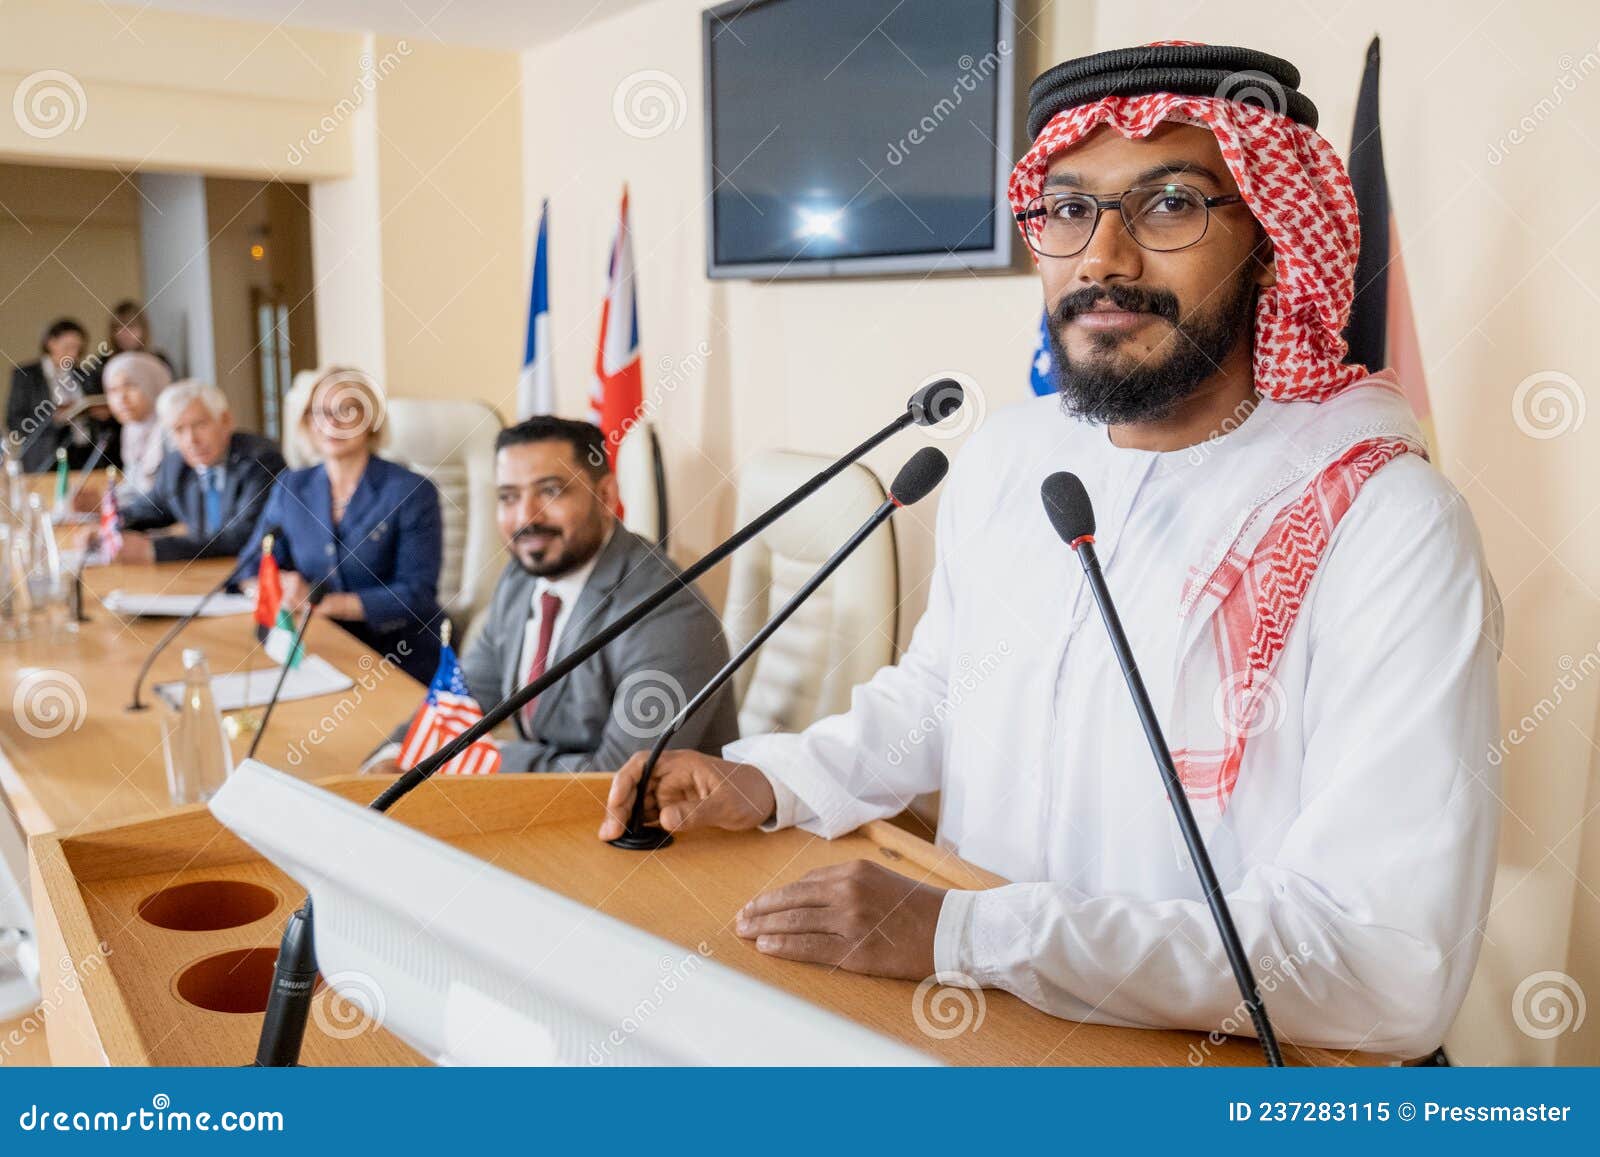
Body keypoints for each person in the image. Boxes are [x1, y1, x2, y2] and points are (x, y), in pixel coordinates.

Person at [598, 42, 1503, 1059]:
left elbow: (1381, 963)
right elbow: (943, 691)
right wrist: (770, 781)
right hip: (964, 1027)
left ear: (1268, 239)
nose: (1103, 257)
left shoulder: (1382, 520)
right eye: (1069, 210)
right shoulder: (1013, 454)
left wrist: (960, 931)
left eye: (1169, 205)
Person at [368, 417, 737, 773]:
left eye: (551, 491)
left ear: (606, 495)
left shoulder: (668, 613)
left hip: (654, 830)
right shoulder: (523, 575)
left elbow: (617, 778)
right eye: (509, 497)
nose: (526, 517)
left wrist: (483, 760)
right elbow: (466, 694)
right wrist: (398, 753)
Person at [237, 367, 442, 683]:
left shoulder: (411, 491)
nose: (331, 422)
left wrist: (327, 605)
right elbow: (250, 567)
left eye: (347, 410)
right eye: (320, 412)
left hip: (396, 653)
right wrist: (278, 585)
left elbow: (416, 594)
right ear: (307, 422)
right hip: (315, 645)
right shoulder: (292, 486)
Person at [107, 379, 284, 564]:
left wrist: (155, 550)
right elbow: (150, 509)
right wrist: (111, 525)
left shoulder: (262, 461)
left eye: (200, 425)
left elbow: (241, 537)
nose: (191, 440)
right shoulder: (176, 465)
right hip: (203, 574)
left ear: (226, 420)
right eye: (179, 430)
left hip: (251, 573)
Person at [5, 318, 116, 472]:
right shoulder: (26, 375)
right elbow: (15, 423)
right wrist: (54, 417)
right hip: (46, 458)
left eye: (78, 348)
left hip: (85, 454)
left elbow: (92, 405)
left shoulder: (84, 374)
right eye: (68, 347)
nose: (73, 353)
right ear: (50, 343)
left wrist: (99, 414)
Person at [81, 351, 173, 499]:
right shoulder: (131, 429)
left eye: (130, 386)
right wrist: (103, 501)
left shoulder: (175, 431)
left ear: (152, 385)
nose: (121, 398)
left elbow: (161, 500)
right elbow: (133, 489)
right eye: (113, 390)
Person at [85, 301, 173, 396]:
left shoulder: (158, 360)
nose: (125, 334)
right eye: (119, 328)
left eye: (131, 327)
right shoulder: (101, 363)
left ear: (143, 330)